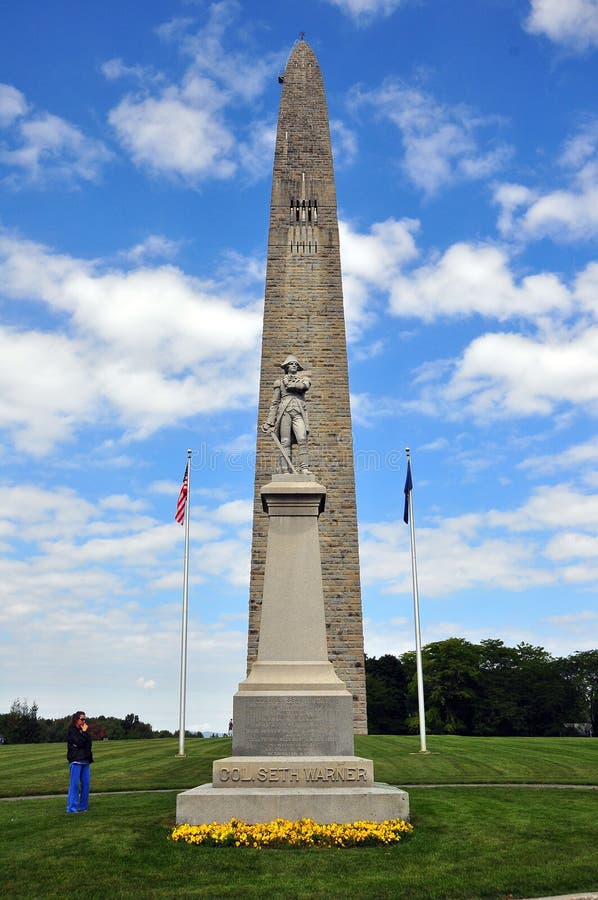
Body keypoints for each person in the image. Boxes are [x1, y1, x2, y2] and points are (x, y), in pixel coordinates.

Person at [262, 354, 311, 473]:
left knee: (302, 439)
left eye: (295, 364)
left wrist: (292, 385)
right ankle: (285, 470)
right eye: (291, 364)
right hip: (284, 412)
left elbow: (304, 387)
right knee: (285, 441)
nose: (293, 365)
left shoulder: (304, 380)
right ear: (286, 367)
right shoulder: (279, 383)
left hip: (298, 413)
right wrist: (269, 421)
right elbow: (275, 403)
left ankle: (304, 468)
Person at [66, 710, 93, 813]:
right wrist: (83, 737)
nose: (84, 721)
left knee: (86, 784)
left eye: (85, 719)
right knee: (75, 784)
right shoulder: (71, 730)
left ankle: (83, 807)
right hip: (76, 760)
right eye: (82, 719)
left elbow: (89, 744)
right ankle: (72, 808)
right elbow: (79, 742)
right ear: (76, 720)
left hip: (85, 760)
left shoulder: (84, 730)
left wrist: (84, 736)